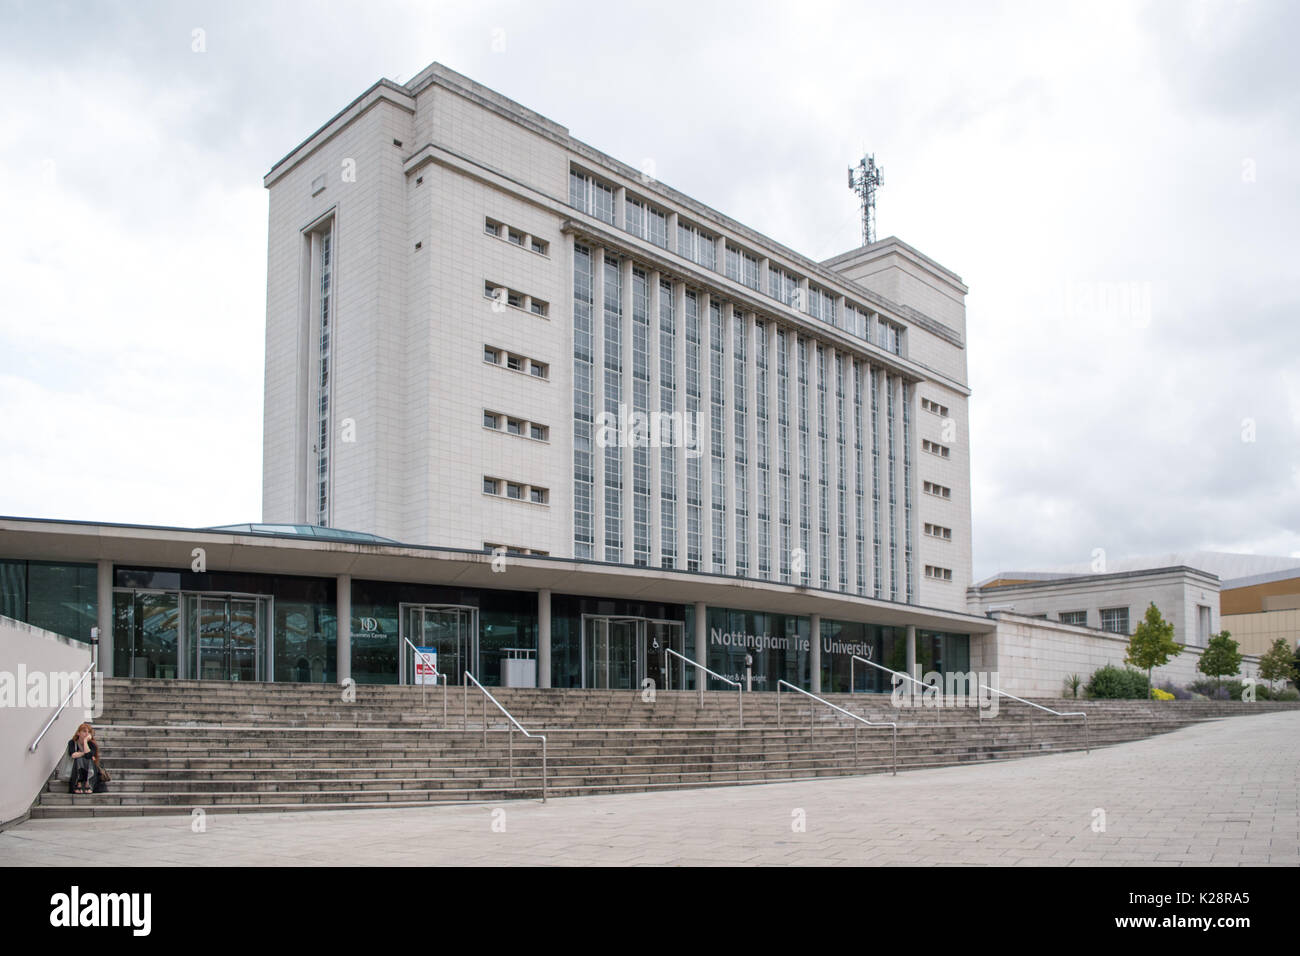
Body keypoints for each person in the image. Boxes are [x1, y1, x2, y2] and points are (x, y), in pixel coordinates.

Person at [67, 722, 100, 795]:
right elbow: (73, 755)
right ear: (78, 733)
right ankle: (78, 783)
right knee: (79, 759)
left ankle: (89, 784)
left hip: (90, 768)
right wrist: (85, 754)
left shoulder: (92, 743)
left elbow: (89, 756)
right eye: (84, 731)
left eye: (89, 732)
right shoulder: (72, 742)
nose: (87, 733)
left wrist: (85, 741)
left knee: (88, 760)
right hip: (76, 768)